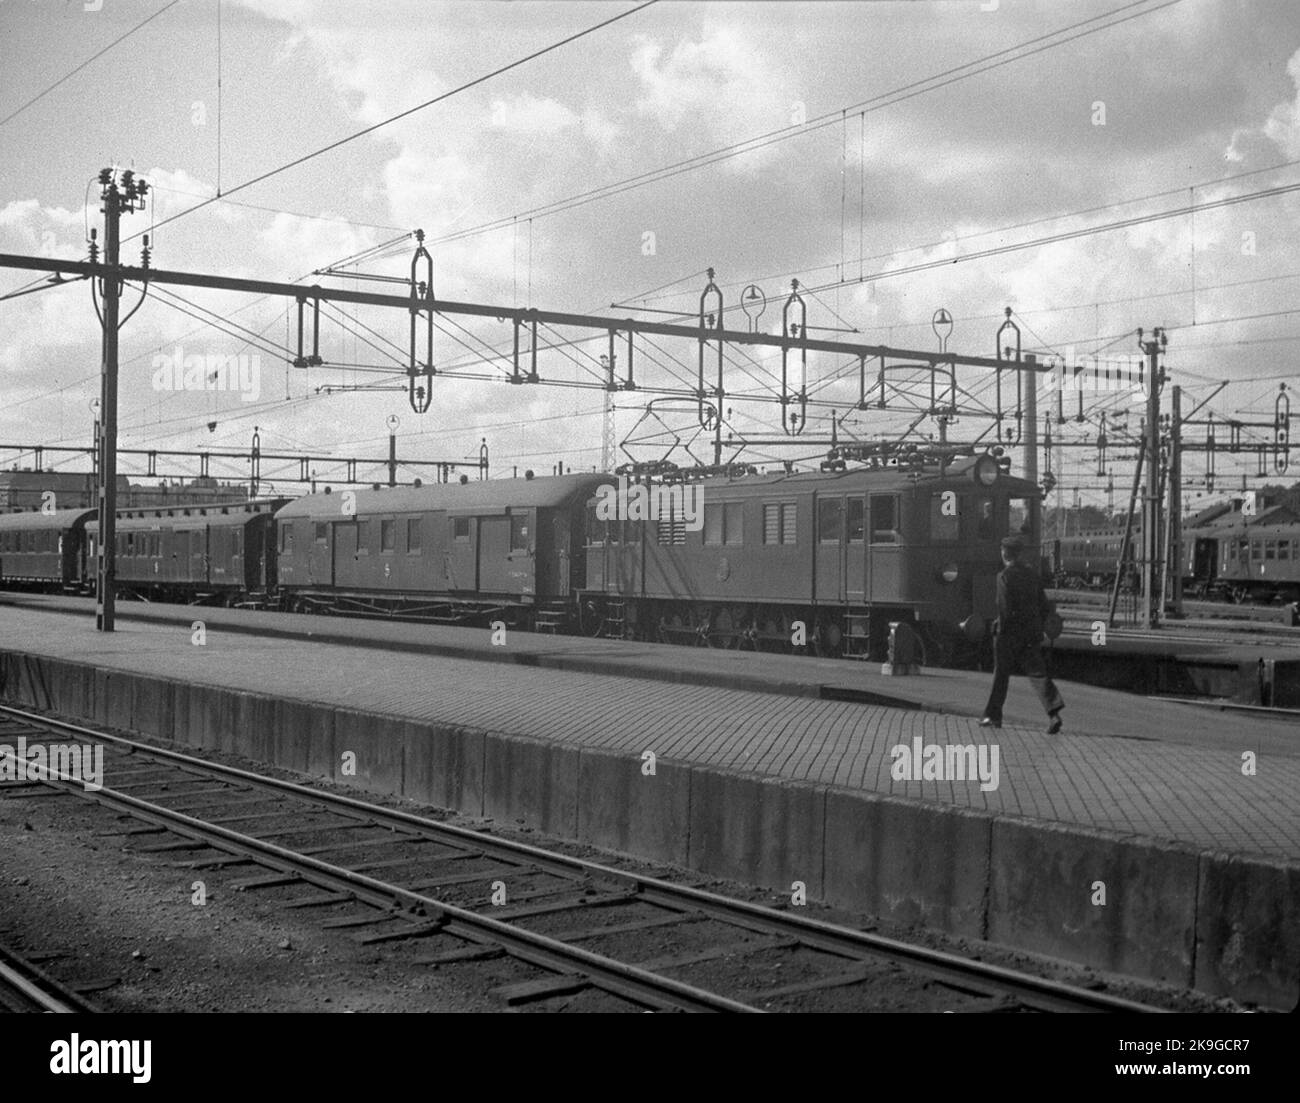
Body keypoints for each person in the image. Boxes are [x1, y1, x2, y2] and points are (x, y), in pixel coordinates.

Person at [980, 535, 1065, 733]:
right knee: (1038, 673)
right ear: (1018, 553)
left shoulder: (1004, 576)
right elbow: (1044, 605)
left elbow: (1004, 609)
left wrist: (1000, 629)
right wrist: (1040, 626)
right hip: (1031, 633)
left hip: (1008, 635)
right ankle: (1053, 714)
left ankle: (993, 717)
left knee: (1001, 676)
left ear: (1004, 553)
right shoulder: (1032, 574)